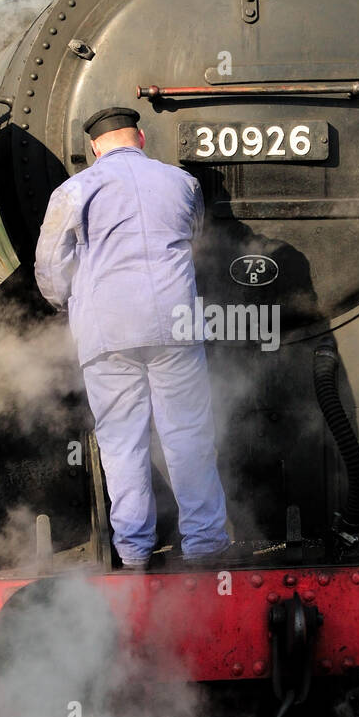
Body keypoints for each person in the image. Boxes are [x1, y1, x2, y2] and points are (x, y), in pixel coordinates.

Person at [34, 105, 230, 570]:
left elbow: (49, 267)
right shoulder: (183, 183)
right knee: (188, 434)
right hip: (175, 325)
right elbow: (193, 239)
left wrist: (71, 302)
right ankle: (204, 542)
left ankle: (134, 551)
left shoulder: (74, 189)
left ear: (94, 148)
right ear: (140, 138)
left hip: (107, 333)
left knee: (123, 441)